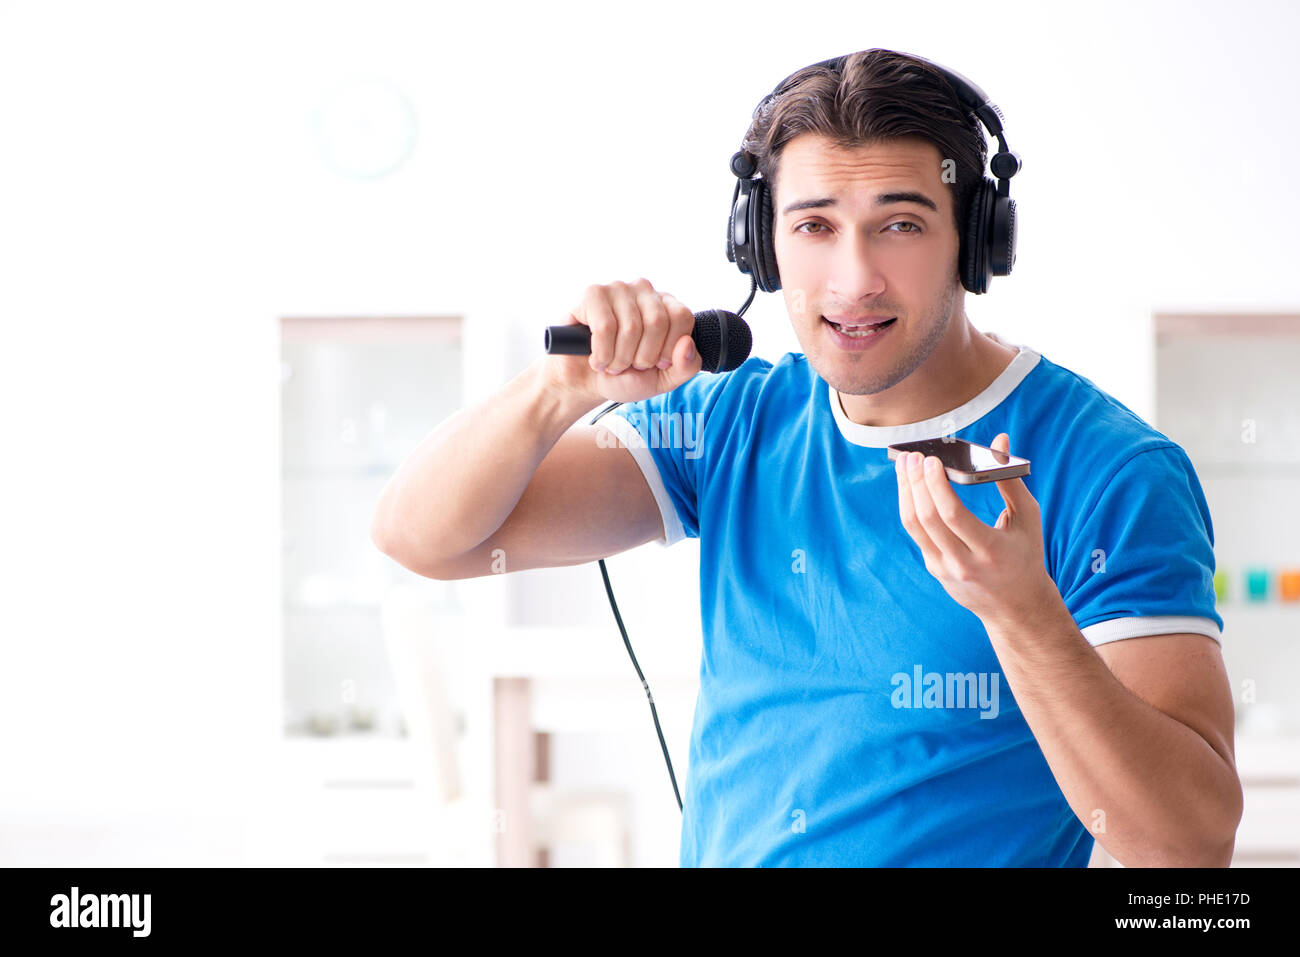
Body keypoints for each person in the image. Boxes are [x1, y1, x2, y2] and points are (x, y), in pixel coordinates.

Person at [370, 48, 1241, 867]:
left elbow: (1188, 845)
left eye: (899, 223)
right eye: (815, 226)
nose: (853, 279)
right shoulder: (731, 419)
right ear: (761, 245)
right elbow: (426, 539)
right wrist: (555, 393)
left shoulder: (1113, 469)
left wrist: (1025, 617)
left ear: (976, 243)